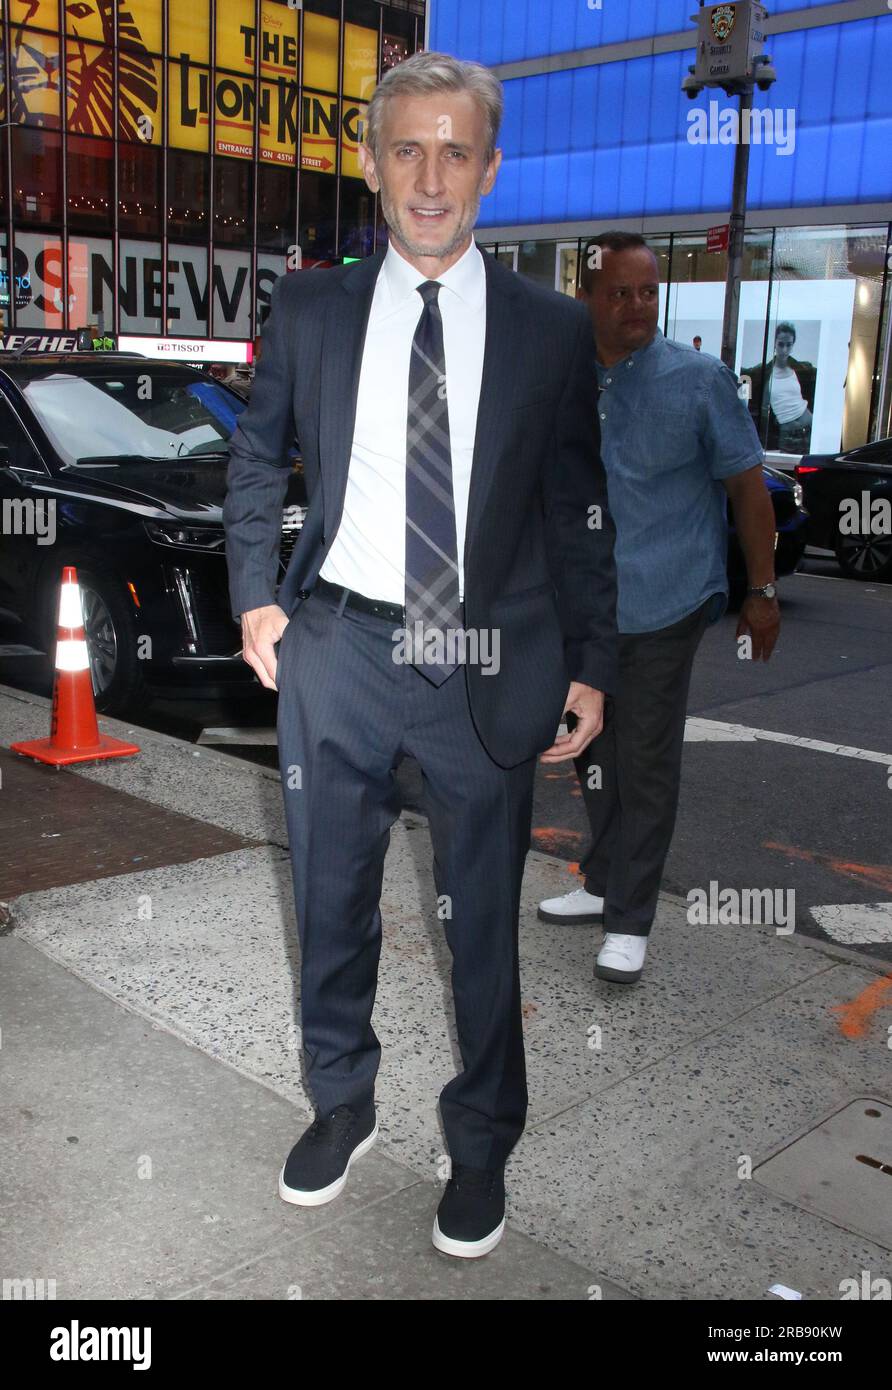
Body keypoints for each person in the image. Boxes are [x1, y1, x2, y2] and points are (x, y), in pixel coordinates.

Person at [222, 52, 617, 1259]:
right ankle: (341, 1103)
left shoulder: (552, 332)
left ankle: (481, 1139)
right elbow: (253, 461)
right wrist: (254, 598)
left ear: (490, 170)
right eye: (406, 149)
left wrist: (590, 663)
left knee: (479, 926)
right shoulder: (310, 306)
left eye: (455, 151)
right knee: (330, 900)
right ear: (370, 161)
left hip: (483, 660)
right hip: (337, 643)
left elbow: (574, 511)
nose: (429, 176)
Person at [539, 231, 780, 983]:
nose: (638, 306)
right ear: (588, 295)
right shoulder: (562, 377)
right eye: (621, 292)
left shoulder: (700, 380)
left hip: (664, 601)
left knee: (643, 758)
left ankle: (631, 919)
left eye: (649, 292)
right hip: (584, 608)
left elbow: (748, 488)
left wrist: (763, 591)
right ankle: (607, 880)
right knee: (595, 751)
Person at [744, 322, 816, 454]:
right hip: (788, 435)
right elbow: (743, 378)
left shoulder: (802, 369)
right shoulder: (763, 372)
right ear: (775, 344)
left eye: (789, 345)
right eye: (781, 344)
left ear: (793, 345)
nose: (784, 350)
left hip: (810, 427)